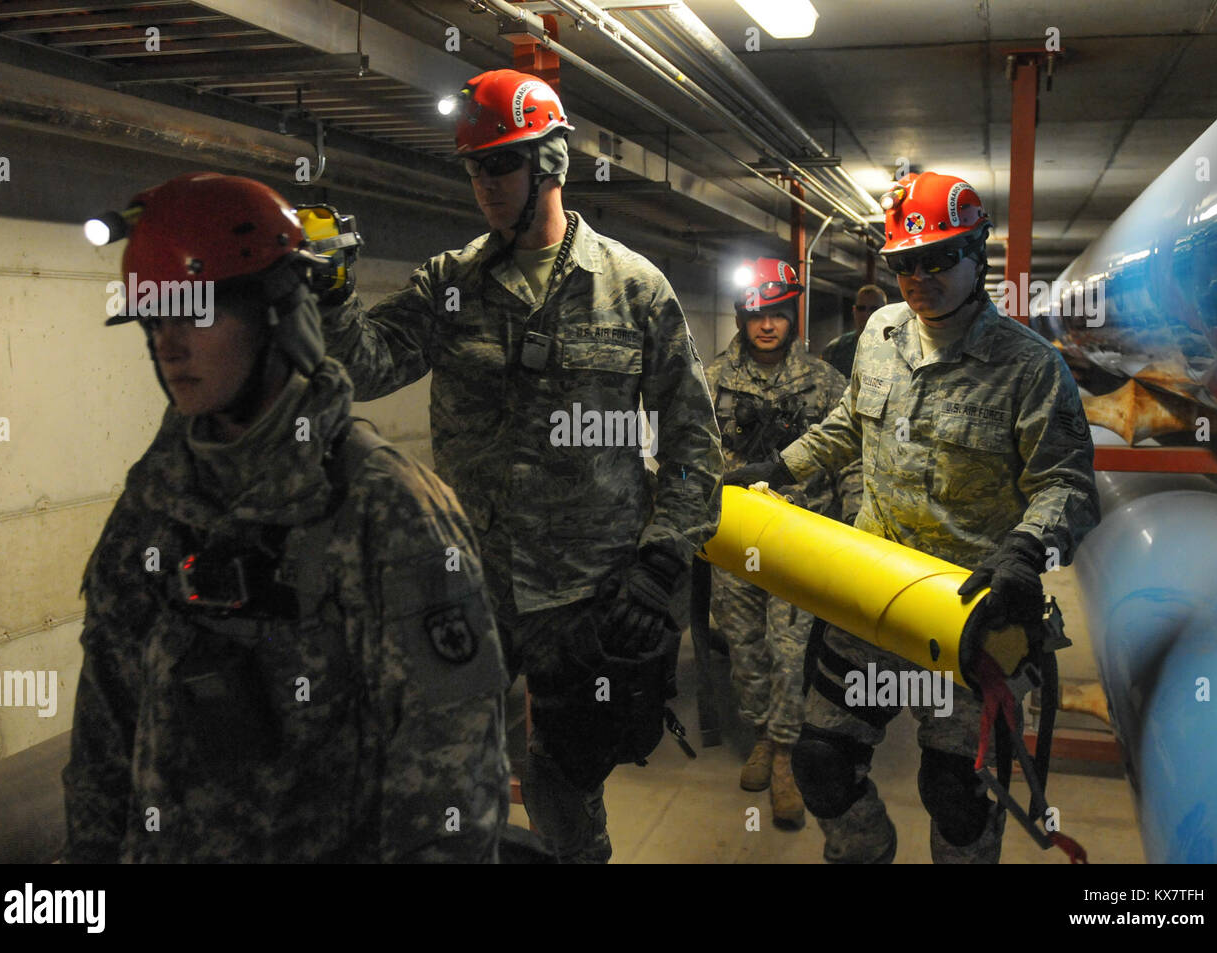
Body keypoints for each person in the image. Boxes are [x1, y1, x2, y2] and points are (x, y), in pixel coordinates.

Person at [317, 70, 722, 863]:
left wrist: (664, 558)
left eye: (497, 165)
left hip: (585, 587)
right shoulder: (450, 285)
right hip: (468, 577)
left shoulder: (635, 290)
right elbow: (364, 368)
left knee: (563, 783)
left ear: (551, 163)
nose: (482, 185)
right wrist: (331, 294)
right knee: (449, 770)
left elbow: (691, 440)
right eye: (472, 169)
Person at [63, 172, 508, 863]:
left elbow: (449, 783)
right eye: (153, 318)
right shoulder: (154, 505)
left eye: (194, 313)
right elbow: (104, 738)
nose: (166, 343)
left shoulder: (381, 508)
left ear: (273, 309)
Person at [726, 171, 1099, 863]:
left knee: (955, 790)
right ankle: (864, 852)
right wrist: (780, 468)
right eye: (904, 262)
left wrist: (1025, 547)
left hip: (969, 609)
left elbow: (1069, 485)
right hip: (872, 594)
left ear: (977, 253)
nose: (918, 277)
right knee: (820, 760)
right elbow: (847, 423)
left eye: (937, 259)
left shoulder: (1030, 368)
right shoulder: (881, 332)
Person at [703, 257, 859, 827]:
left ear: (792, 317)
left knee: (791, 651)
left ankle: (788, 752)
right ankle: (762, 736)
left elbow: (850, 458)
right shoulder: (712, 378)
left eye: (776, 314)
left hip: (801, 536)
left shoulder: (824, 381)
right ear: (743, 317)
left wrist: (856, 525)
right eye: (756, 314)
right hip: (734, 535)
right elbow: (690, 451)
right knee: (744, 646)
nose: (766, 325)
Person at [823, 284, 888, 378]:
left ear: (885, 311)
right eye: (861, 308)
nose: (867, 314)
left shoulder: (897, 348)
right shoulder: (835, 348)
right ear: (854, 310)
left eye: (874, 309)